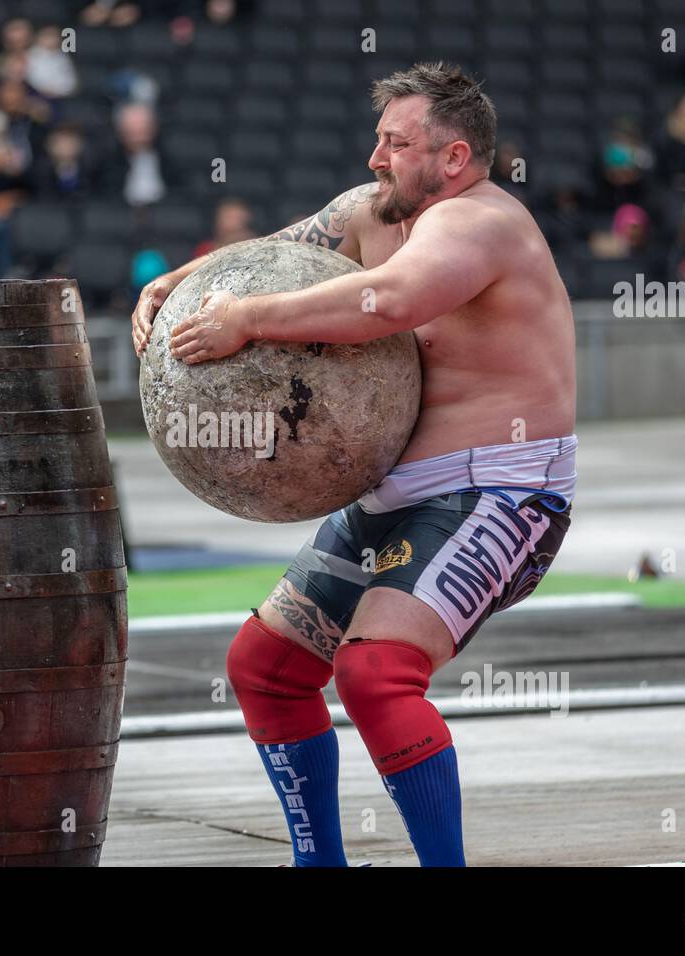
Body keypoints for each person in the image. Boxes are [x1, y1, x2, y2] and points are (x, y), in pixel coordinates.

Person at [131, 62, 576, 867]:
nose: (376, 158)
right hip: (394, 494)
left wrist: (246, 321)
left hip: (503, 491)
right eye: (378, 139)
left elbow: (393, 301)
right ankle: (320, 864)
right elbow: (277, 249)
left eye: (396, 143)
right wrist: (180, 282)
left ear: (454, 157)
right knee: (264, 667)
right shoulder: (374, 209)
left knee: (375, 672)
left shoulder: (480, 222)